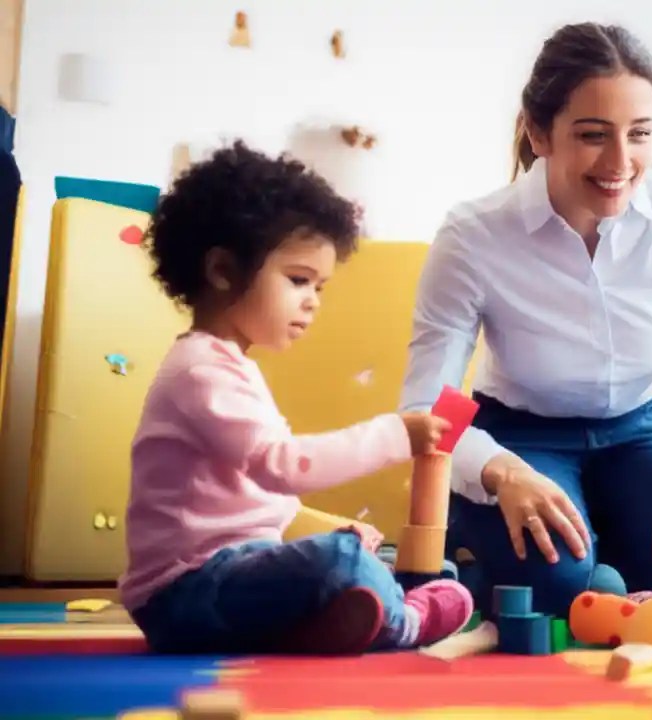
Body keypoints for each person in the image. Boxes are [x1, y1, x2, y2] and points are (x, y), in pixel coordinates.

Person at [400, 22, 652, 617]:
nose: (620, 161)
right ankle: (483, 553)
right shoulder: (473, 235)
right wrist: (500, 472)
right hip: (522, 434)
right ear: (539, 132)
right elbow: (428, 402)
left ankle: (608, 543)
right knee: (554, 588)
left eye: (639, 134)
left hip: (642, 427)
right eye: (592, 135)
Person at [120, 141, 474, 655]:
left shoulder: (228, 366)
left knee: (365, 551)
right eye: (298, 280)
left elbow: (268, 501)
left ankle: (343, 614)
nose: (312, 302)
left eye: (320, 287)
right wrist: (399, 433)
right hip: (186, 594)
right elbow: (283, 467)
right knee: (341, 562)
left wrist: (336, 526)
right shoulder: (201, 371)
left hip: (226, 580)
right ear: (222, 270)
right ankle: (408, 621)